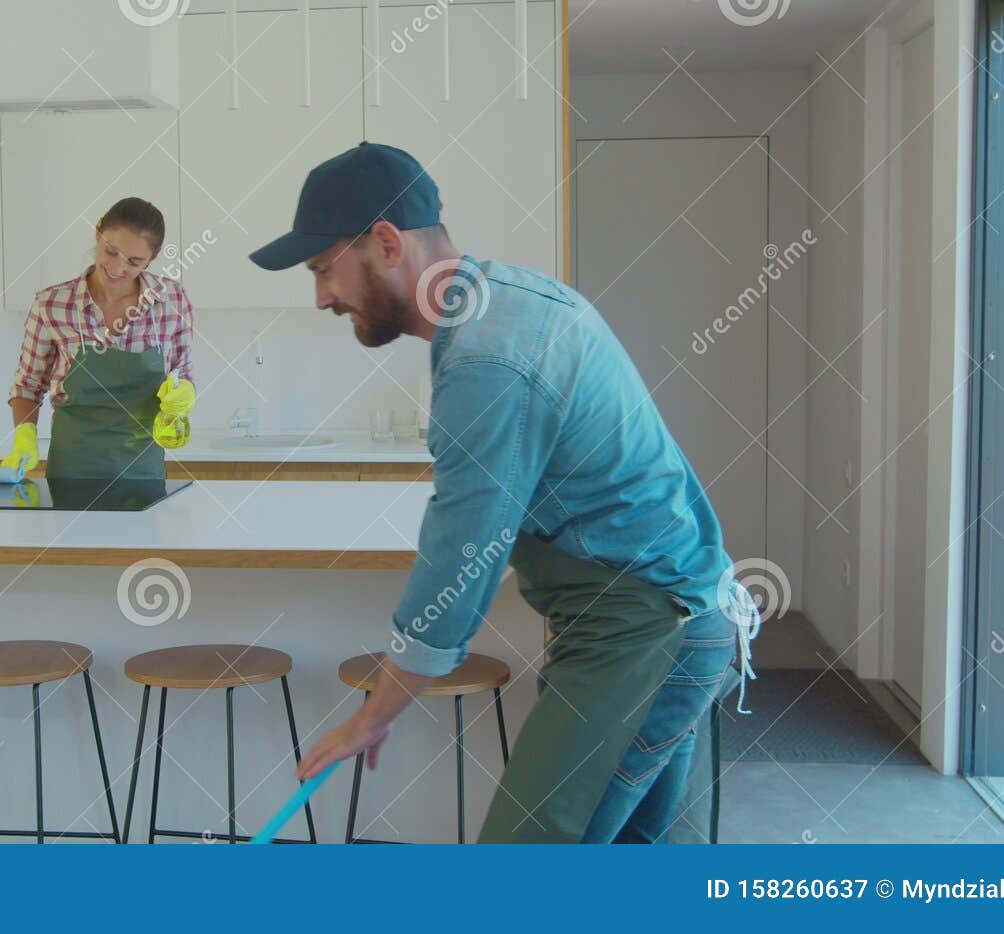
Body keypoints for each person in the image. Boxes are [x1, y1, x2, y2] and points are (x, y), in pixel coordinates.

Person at [250, 142, 758, 843]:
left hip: (647, 632)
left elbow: (460, 563)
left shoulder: (487, 358)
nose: (321, 297)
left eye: (323, 268)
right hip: (666, 617)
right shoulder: (505, 303)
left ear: (387, 243)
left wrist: (373, 716)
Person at [4, 197, 196, 482]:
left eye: (134, 262)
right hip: (72, 467)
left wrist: (182, 396)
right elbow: (28, 385)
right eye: (110, 251)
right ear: (97, 232)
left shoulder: (171, 300)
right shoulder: (52, 304)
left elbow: (181, 373)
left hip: (142, 468)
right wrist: (24, 435)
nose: (118, 268)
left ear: (152, 259)